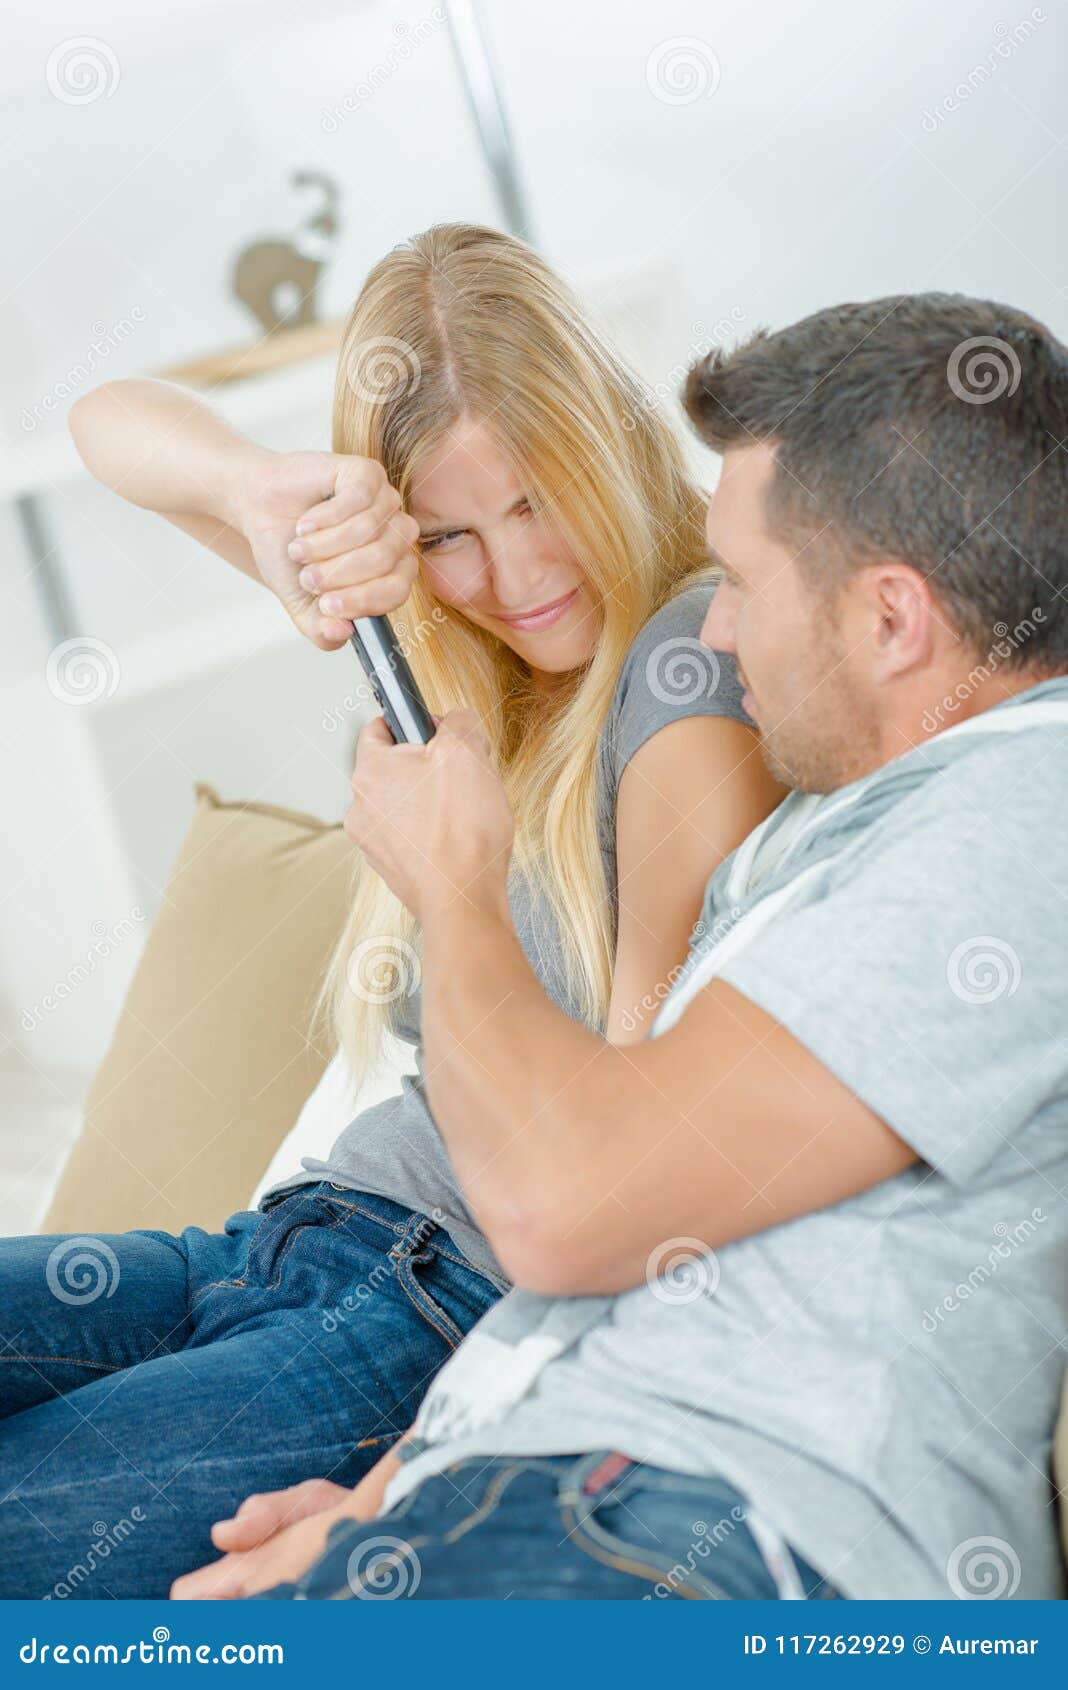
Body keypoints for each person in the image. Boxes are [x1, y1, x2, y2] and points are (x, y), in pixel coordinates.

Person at [175, 291, 1068, 1602]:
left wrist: (457, 886)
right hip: (541, 1489)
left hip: (705, 1533)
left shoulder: (1016, 822)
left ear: (889, 619)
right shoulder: (838, 843)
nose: (712, 629)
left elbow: (559, 1207)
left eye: (746, 585)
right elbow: (626, 1239)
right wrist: (383, 1499)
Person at [0, 226, 780, 1600]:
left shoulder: (686, 667)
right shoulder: (445, 642)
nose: (519, 571)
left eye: (544, 498)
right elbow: (105, 421)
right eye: (451, 534)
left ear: (608, 434)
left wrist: (408, 1473)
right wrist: (263, 493)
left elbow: (634, 1200)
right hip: (283, 1241)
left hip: (428, 1310)